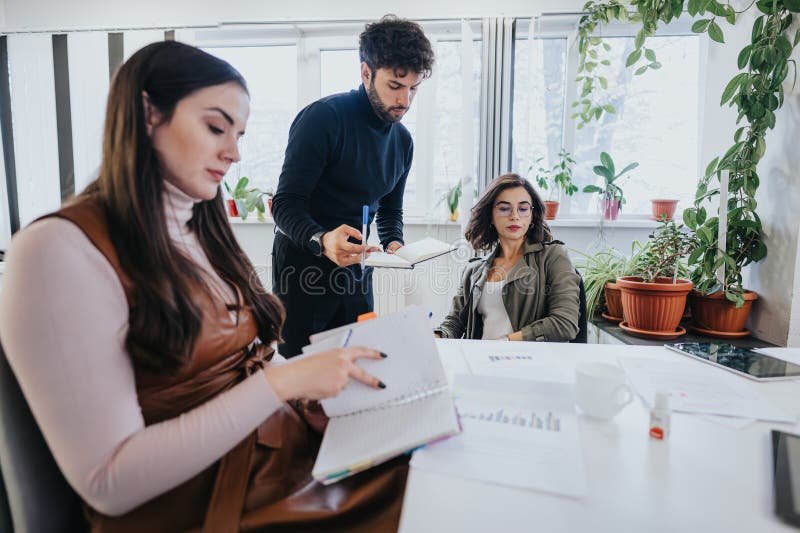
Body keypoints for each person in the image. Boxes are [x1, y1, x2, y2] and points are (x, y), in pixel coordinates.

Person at [0, 41, 408, 532]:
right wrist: (285, 383)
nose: (234, 153)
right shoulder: (56, 250)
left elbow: (249, 357)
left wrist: (314, 394)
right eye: (216, 127)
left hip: (273, 451)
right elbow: (109, 482)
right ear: (148, 113)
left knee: (427, 459)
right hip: (214, 496)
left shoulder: (200, 225)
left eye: (239, 134)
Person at [272, 15, 434, 357]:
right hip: (302, 271)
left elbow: (389, 211)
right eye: (395, 85)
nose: (405, 100)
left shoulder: (403, 142)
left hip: (357, 273)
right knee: (303, 374)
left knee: (359, 364)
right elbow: (285, 204)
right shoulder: (323, 119)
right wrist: (322, 240)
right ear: (366, 73)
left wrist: (393, 243)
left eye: (413, 88)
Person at [435, 173, 580, 341]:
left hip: (525, 357)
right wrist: (437, 335)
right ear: (490, 215)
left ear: (532, 215)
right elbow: (454, 323)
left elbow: (565, 323)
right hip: (479, 356)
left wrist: (506, 341)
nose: (515, 216)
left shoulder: (553, 256)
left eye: (523, 209)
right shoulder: (473, 270)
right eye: (504, 208)